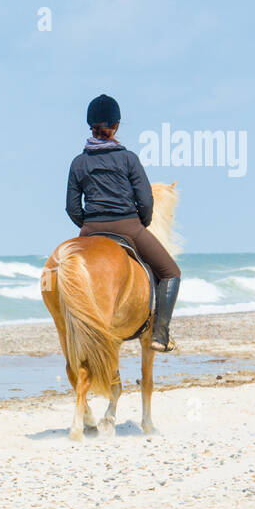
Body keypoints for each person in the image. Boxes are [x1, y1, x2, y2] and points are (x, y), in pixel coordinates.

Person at [66, 95, 182, 352]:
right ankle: (160, 335)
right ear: (116, 126)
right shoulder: (128, 159)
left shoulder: (78, 163)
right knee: (171, 273)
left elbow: (72, 207)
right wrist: (141, 223)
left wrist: (88, 226)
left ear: (90, 126)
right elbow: (146, 200)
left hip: (90, 230)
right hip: (128, 226)